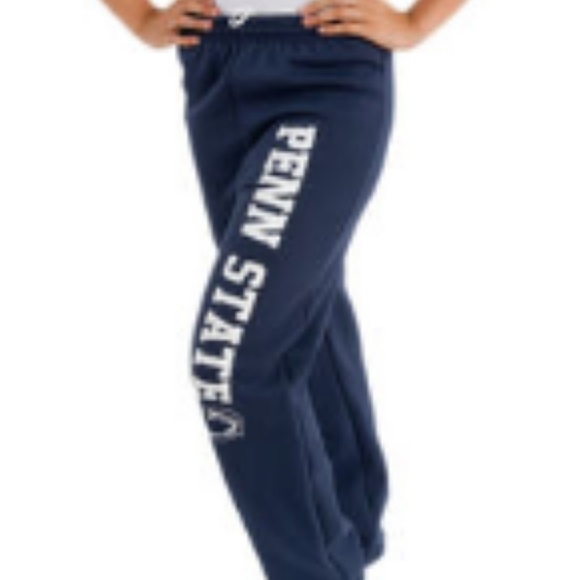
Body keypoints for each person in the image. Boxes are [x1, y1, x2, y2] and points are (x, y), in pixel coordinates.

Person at [99, 1, 468, 579]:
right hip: (215, 67)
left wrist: (418, 23)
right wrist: (140, 18)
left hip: (330, 70)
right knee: (291, 314)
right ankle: (350, 531)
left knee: (232, 353)